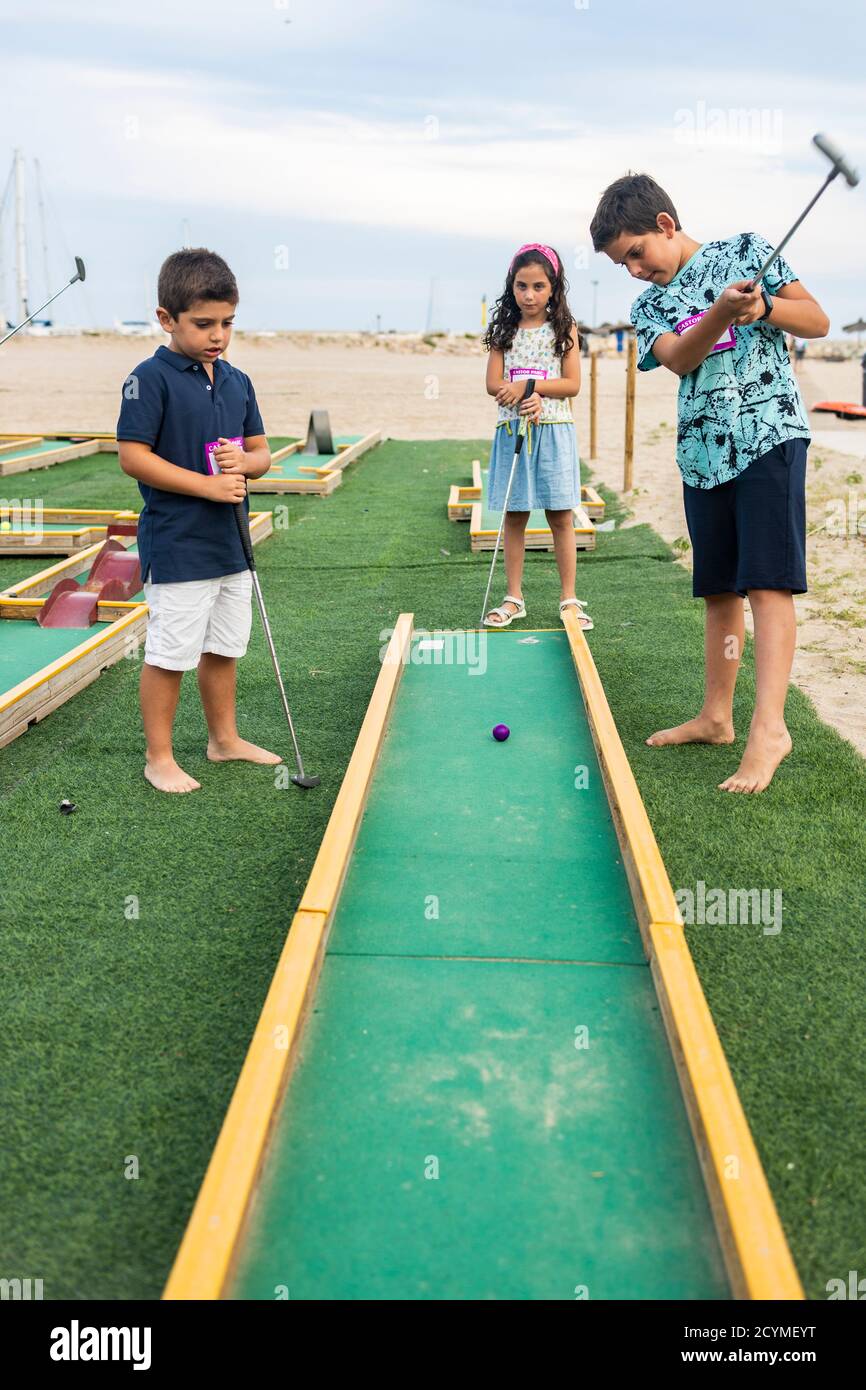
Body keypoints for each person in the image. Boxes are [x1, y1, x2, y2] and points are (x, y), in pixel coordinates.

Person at [591, 174, 829, 793]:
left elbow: (818, 320)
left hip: (769, 435)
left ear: (665, 225)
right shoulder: (650, 306)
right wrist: (721, 311)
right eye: (623, 265)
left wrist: (765, 307)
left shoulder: (749, 252)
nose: (634, 271)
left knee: (767, 583)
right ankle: (716, 716)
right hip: (703, 451)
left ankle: (769, 729)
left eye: (635, 254)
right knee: (721, 590)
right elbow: (677, 358)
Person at [117, 247, 281, 793]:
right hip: (178, 542)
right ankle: (158, 756)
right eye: (203, 324)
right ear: (167, 319)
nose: (218, 335)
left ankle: (223, 740)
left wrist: (247, 465)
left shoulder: (236, 380)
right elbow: (133, 457)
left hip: (230, 542)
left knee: (224, 646)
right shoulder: (148, 379)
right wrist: (207, 485)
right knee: (170, 653)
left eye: (228, 323)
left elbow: (261, 454)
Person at [481, 242, 592, 630]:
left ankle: (569, 599)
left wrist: (533, 388)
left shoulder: (565, 329)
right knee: (515, 516)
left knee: (561, 515)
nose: (529, 295)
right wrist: (514, 393)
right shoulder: (503, 330)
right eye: (521, 286)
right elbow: (494, 383)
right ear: (511, 286)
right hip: (513, 432)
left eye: (539, 286)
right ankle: (514, 597)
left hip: (554, 430)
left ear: (554, 287)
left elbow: (573, 384)